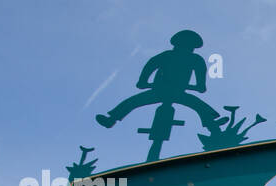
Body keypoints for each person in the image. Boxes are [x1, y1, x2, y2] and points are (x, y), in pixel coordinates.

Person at [95, 29, 225, 132]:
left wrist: (143, 82)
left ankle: (212, 124)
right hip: (163, 90)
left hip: (171, 91)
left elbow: (200, 78)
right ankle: (212, 124)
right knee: (197, 104)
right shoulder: (181, 57)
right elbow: (150, 66)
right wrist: (143, 81)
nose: (186, 49)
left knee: (132, 102)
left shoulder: (192, 59)